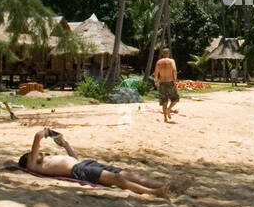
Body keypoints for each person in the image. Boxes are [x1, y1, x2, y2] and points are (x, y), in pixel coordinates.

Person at [19, 128, 172, 196]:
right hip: (79, 171)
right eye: (33, 154)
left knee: (128, 174)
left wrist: (65, 145)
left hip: (84, 163)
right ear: (28, 160)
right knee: (117, 179)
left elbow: (74, 159)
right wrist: (45, 132)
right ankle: (154, 192)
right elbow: (37, 137)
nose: (38, 153)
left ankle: (168, 186)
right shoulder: (33, 166)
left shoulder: (46, 159)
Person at [153, 47, 180, 122]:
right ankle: (169, 109)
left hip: (162, 83)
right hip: (170, 82)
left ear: (162, 54)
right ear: (168, 54)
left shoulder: (159, 62)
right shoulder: (171, 61)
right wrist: (175, 80)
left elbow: (156, 73)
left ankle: (165, 118)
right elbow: (174, 70)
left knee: (164, 101)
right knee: (175, 99)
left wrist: (156, 81)